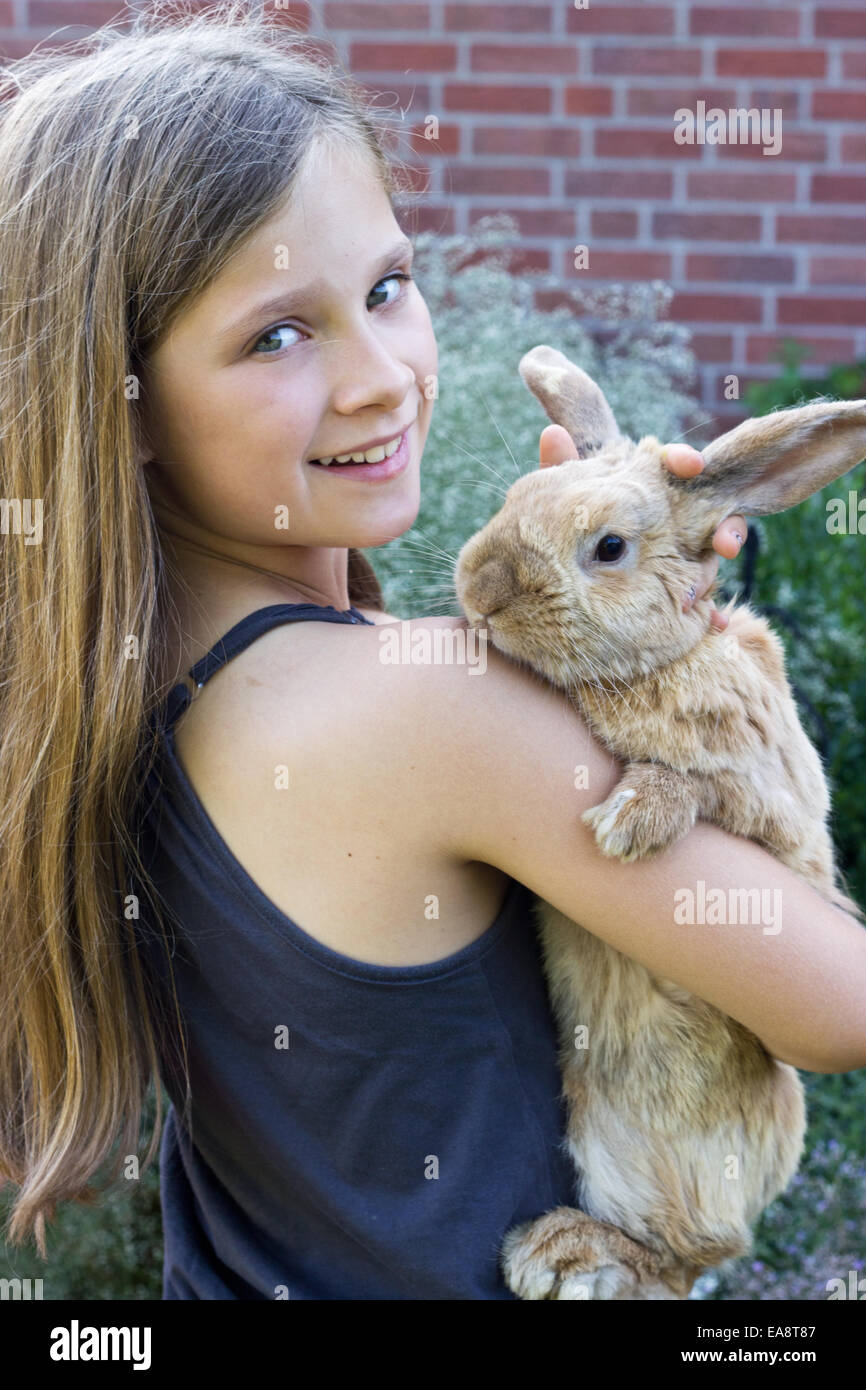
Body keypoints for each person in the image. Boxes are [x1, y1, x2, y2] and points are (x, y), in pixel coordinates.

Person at [1, 3, 864, 1301]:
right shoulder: (433, 710)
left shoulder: (103, 688)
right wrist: (669, 648)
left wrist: (586, 564)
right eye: (276, 335)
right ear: (114, 400)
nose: (383, 378)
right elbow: (831, 1002)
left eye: (386, 288)